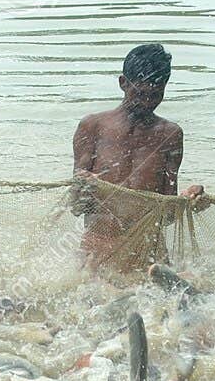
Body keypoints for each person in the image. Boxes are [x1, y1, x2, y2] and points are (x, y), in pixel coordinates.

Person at [70, 43, 206, 273]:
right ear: (123, 83)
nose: (147, 102)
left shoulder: (170, 135)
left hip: (149, 255)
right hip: (98, 252)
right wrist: (84, 185)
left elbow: (167, 214)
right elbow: (75, 205)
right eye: (140, 93)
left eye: (156, 95)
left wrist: (188, 200)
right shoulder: (92, 127)